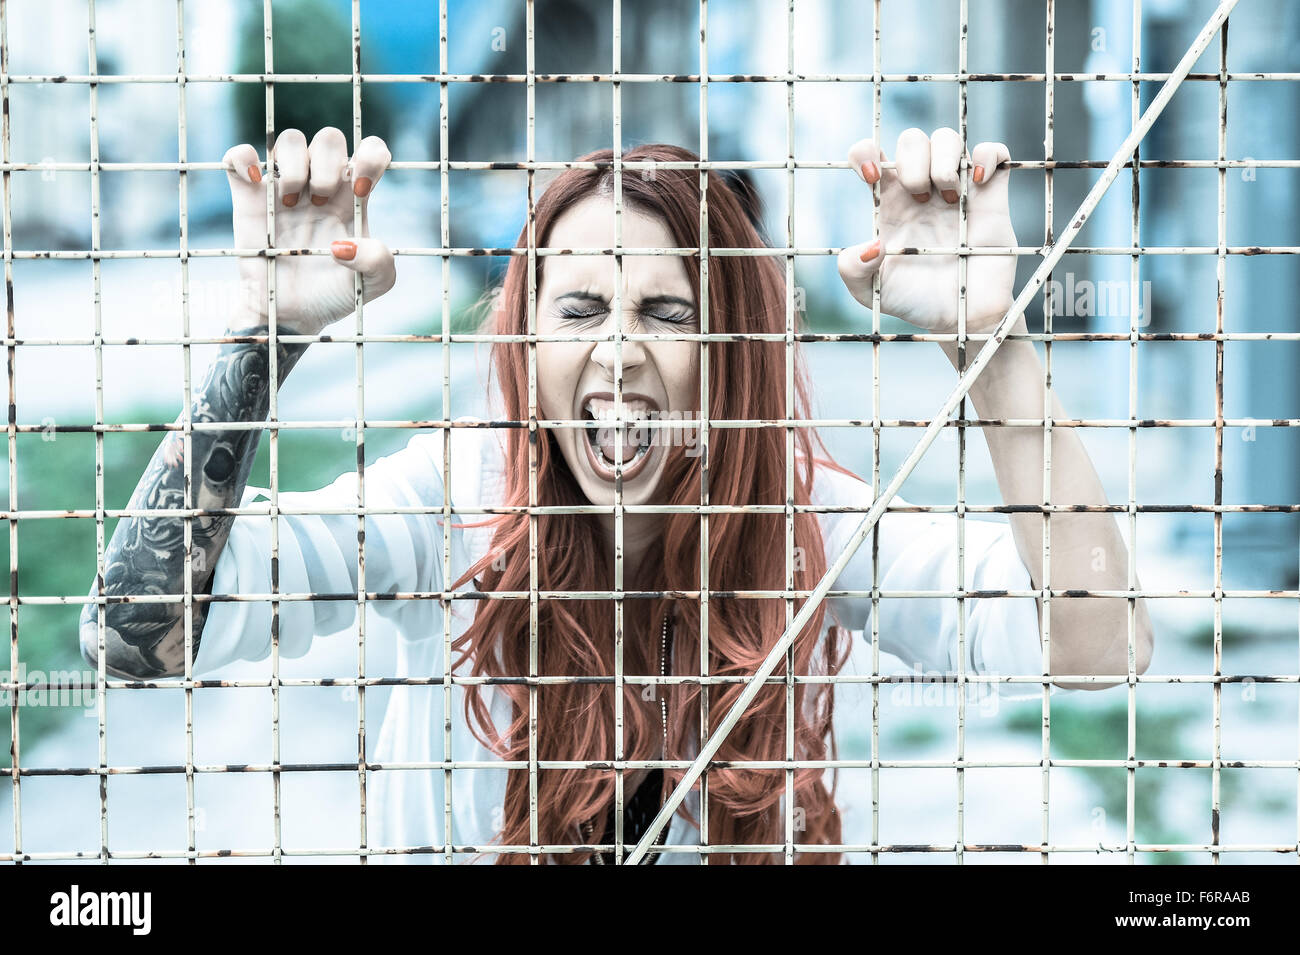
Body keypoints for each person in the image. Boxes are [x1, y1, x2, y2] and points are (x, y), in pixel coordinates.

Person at [79, 125, 1154, 865]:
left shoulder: (808, 518)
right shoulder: (452, 499)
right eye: (582, 308)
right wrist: (266, 332)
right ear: (526, 337)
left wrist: (986, 335)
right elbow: (132, 634)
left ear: (731, 346)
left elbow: (1098, 646)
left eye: (669, 312)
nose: (620, 354)